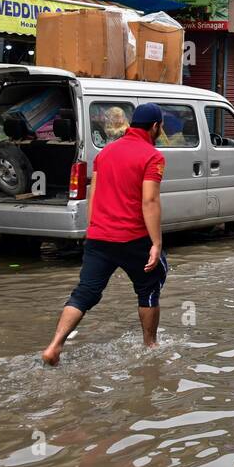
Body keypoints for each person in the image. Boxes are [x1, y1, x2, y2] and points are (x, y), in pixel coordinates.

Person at [41, 103, 168, 366]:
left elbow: (93, 193)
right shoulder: (152, 156)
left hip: (99, 237)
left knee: (84, 293)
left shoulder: (105, 153)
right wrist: (156, 242)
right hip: (133, 238)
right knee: (150, 286)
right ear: (155, 127)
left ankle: (54, 346)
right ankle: (150, 344)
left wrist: (92, 229)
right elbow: (150, 201)